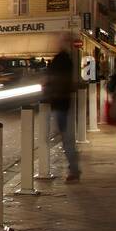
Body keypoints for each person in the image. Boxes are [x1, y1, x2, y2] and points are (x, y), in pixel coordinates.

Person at [44, 33, 80, 182]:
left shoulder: (62, 60)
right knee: (64, 137)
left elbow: (57, 80)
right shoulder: (66, 59)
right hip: (61, 102)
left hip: (60, 102)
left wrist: (48, 85)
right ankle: (74, 168)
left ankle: (74, 169)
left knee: (66, 138)